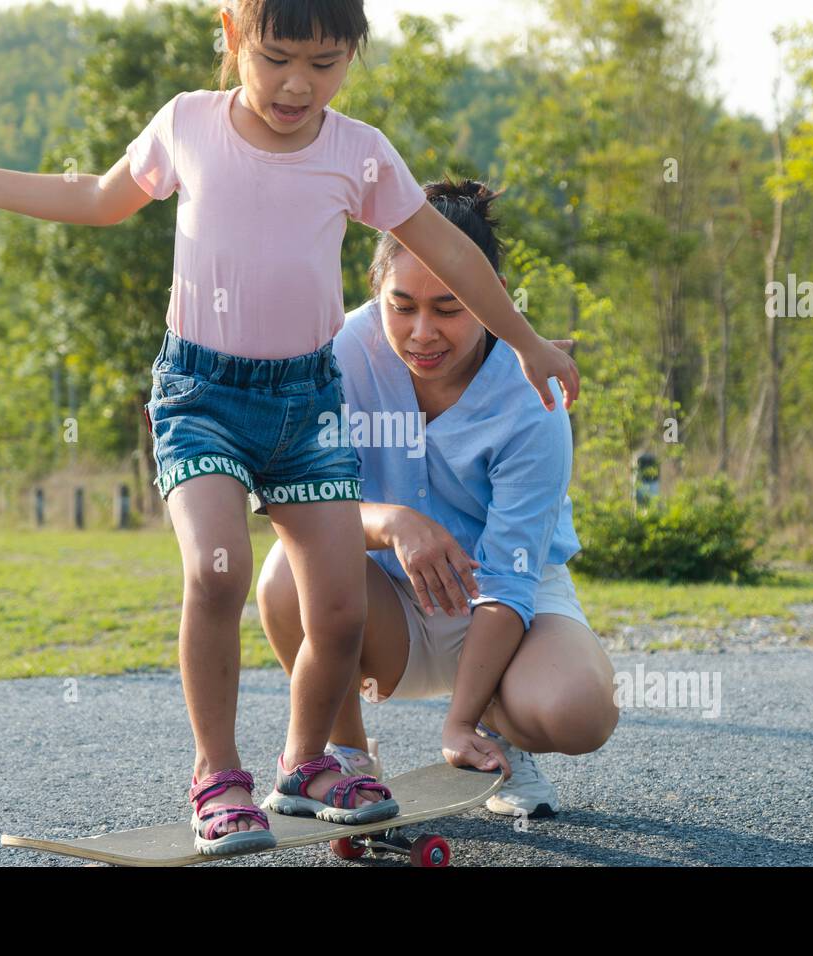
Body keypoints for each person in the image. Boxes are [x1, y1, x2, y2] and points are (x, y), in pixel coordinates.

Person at [0, 2, 580, 855]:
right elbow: (101, 198)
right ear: (232, 37)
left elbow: (446, 250)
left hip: (307, 404)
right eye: (277, 57)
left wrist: (527, 345)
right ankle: (217, 776)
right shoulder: (187, 123)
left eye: (326, 64)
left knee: (336, 611)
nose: (299, 83)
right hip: (202, 397)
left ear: (351, 60)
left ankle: (310, 763)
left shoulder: (359, 152)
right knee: (216, 575)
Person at [258, 178, 618, 818]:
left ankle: (497, 736)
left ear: (492, 299)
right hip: (386, 600)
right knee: (290, 569)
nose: (422, 332)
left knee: (578, 712)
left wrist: (458, 724)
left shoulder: (532, 395)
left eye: (450, 309)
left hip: (510, 602)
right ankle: (344, 757)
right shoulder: (340, 353)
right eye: (403, 306)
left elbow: (509, 581)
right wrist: (390, 522)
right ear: (376, 293)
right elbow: (293, 495)